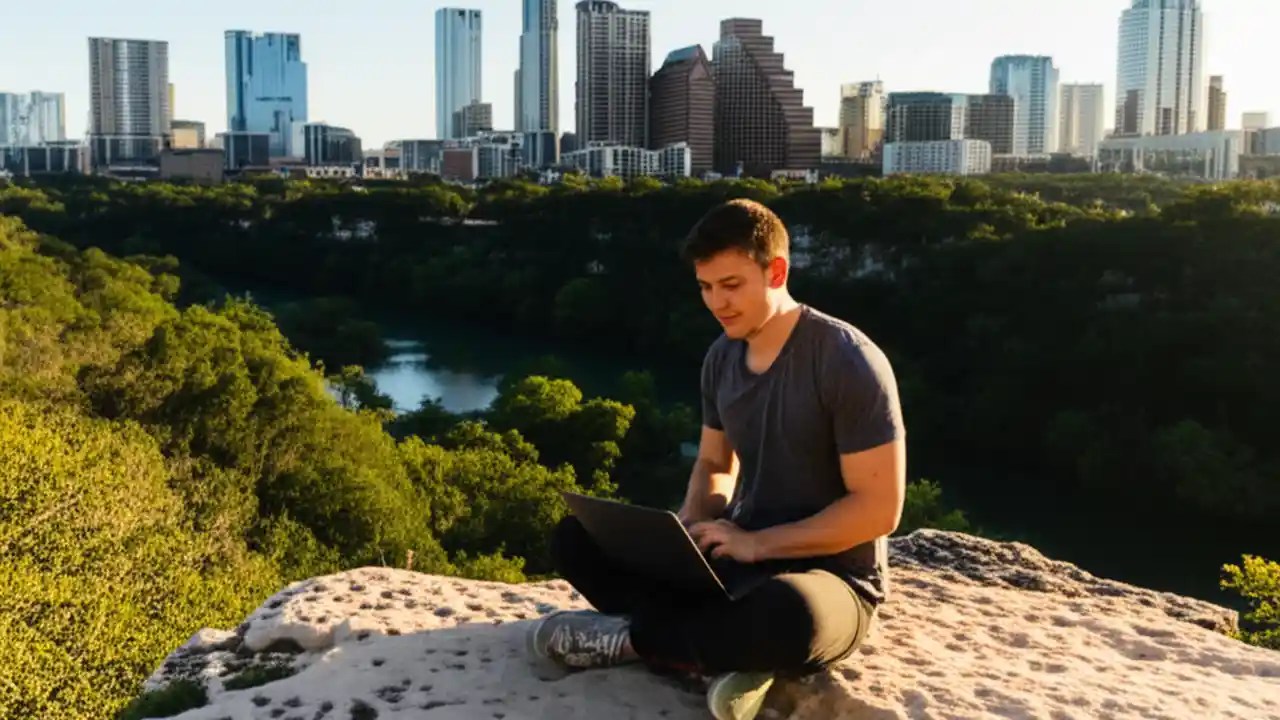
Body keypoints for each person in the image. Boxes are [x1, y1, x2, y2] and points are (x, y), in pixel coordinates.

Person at [526, 198, 907, 720]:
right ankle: (720, 653)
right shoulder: (722, 357)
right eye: (706, 288)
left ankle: (636, 642)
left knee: (788, 616)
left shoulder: (847, 360)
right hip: (735, 564)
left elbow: (878, 509)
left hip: (832, 580)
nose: (717, 303)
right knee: (574, 539)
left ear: (776, 271)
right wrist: (690, 526)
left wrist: (759, 544)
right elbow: (714, 466)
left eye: (731, 286)